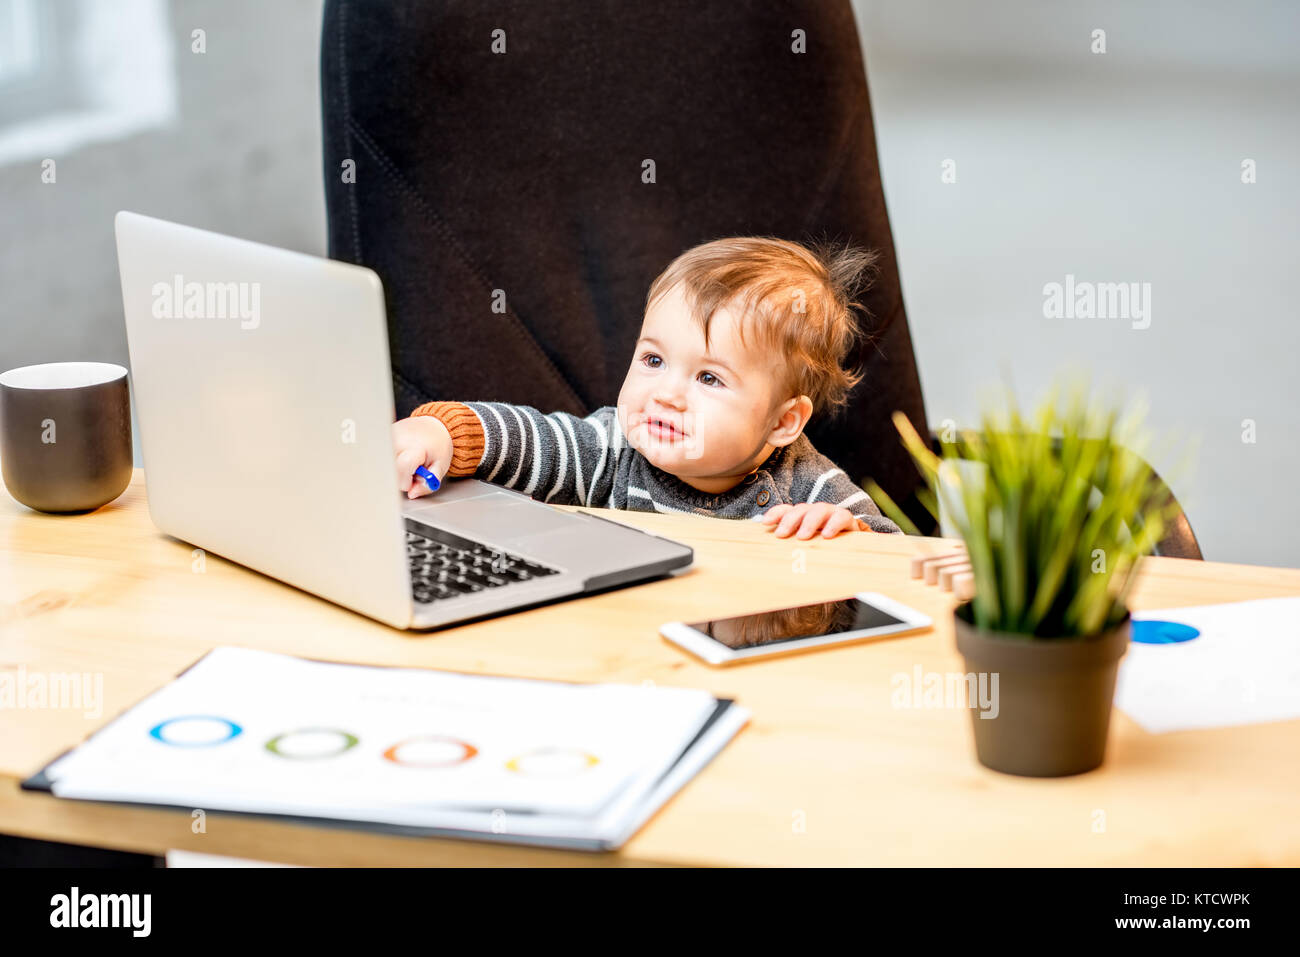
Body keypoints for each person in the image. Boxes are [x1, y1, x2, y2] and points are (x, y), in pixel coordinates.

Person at [391, 237, 902, 539]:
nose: (666, 394)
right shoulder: (615, 450)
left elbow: (894, 565)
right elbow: (532, 442)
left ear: (783, 421)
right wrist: (446, 434)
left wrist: (844, 536)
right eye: (653, 359)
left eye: (708, 378)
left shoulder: (809, 489)